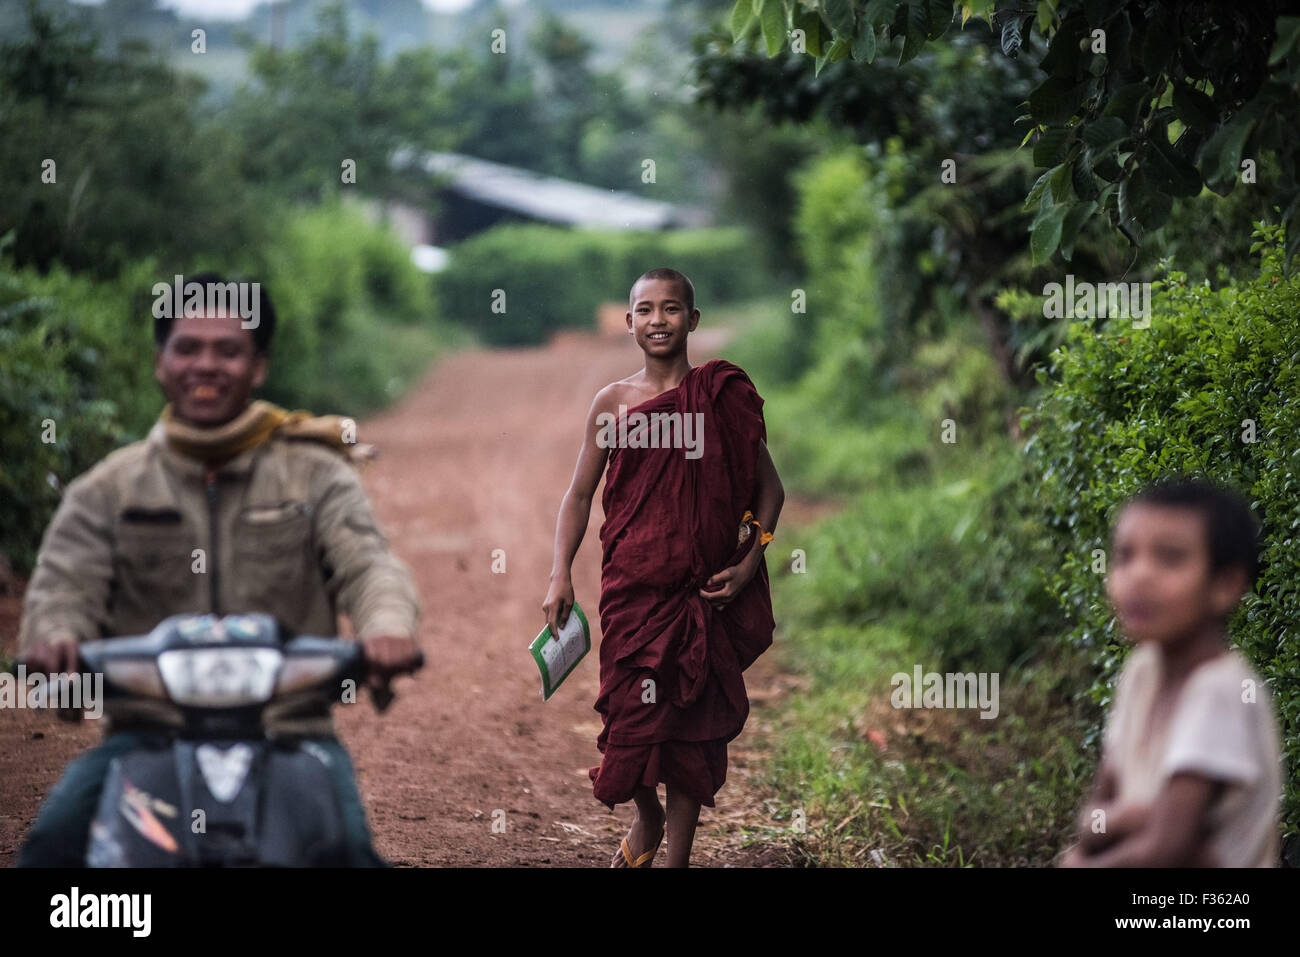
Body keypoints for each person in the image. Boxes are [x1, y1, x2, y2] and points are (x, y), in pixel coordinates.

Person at [17, 272, 422, 867]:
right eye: (188, 348)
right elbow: (63, 581)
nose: (206, 365)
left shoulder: (316, 474)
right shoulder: (106, 488)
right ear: (160, 362)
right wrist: (55, 637)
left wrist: (386, 625)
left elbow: (368, 564)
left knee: (347, 850)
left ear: (258, 367)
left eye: (228, 350)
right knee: (52, 849)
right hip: (146, 733)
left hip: (290, 733)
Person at [543, 268, 784, 867]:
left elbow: (771, 490)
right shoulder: (614, 402)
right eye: (645, 310)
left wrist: (753, 556)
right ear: (628, 323)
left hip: (703, 594)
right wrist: (558, 574)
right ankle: (646, 815)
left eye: (671, 308)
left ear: (692, 320)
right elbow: (577, 496)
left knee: (687, 728)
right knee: (632, 713)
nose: (658, 320)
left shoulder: (720, 398)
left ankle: (675, 858)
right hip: (634, 593)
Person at [1061, 476, 1283, 867]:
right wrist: (1138, 818)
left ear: (1226, 585)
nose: (1140, 575)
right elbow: (1089, 821)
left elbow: (1166, 850)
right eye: (1125, 556)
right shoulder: (1141, 671)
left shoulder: (1222, 690)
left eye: (1170, 557)